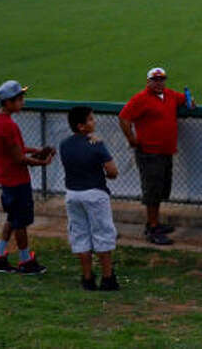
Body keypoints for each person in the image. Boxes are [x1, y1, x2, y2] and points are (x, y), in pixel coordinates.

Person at [0, 79, 54, 274]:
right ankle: (26, 261)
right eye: (19, 99)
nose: (23, 102)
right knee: (20, 222)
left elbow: (16, 150)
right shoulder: (8, 125)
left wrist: (36, 151)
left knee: (13, 218)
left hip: (6, 178)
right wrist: (42, 162)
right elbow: (19, 158)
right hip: (16, 180)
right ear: (8, 102)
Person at [119, 66, 193, 245]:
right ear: (148, 81)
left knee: (161, 189)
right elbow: (123, 118)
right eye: (155, 80)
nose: (159, 83)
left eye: (161, 79)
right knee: (152, 191)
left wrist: (191, 102)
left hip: (166, 151)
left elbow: (186, 100)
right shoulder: (140, 98)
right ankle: (152, 228)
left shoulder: (170, 95)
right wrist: (131, 139)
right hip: (149, 153)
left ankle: (155, 223)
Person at [59, 106, 120, 291]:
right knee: (102, 234)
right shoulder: (97, 144)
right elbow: (112, 171)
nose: (94, 122)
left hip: (72, 194)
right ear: (81, 126)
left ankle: (87, 278)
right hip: (94, 193)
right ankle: (107, 278)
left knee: (80, 234)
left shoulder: (64, 144)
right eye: (91, 119)